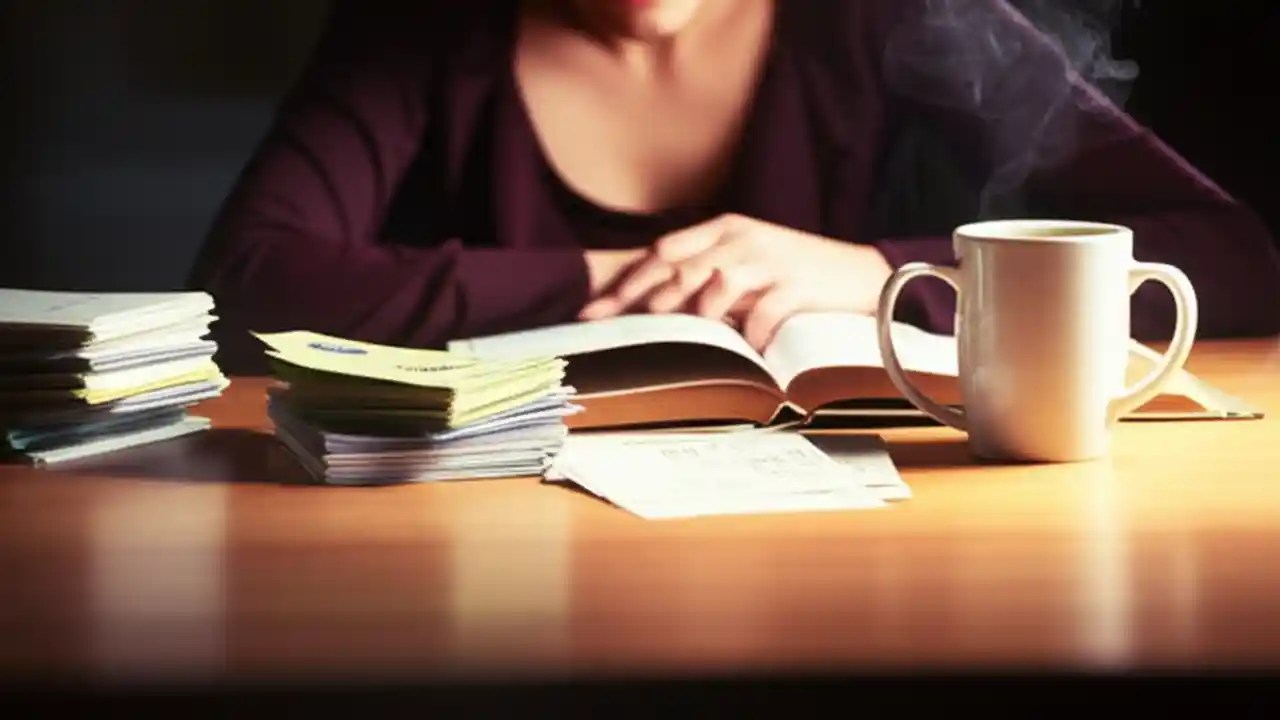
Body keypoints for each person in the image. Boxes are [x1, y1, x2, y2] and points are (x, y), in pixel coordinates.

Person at [190, 0, 1280, 369]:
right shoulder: (425, 25)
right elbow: (246, 284)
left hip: (850, 550)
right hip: (498, 556)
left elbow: (1230, 259)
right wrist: (628, 278)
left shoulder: (875, 13)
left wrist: (868, 277)